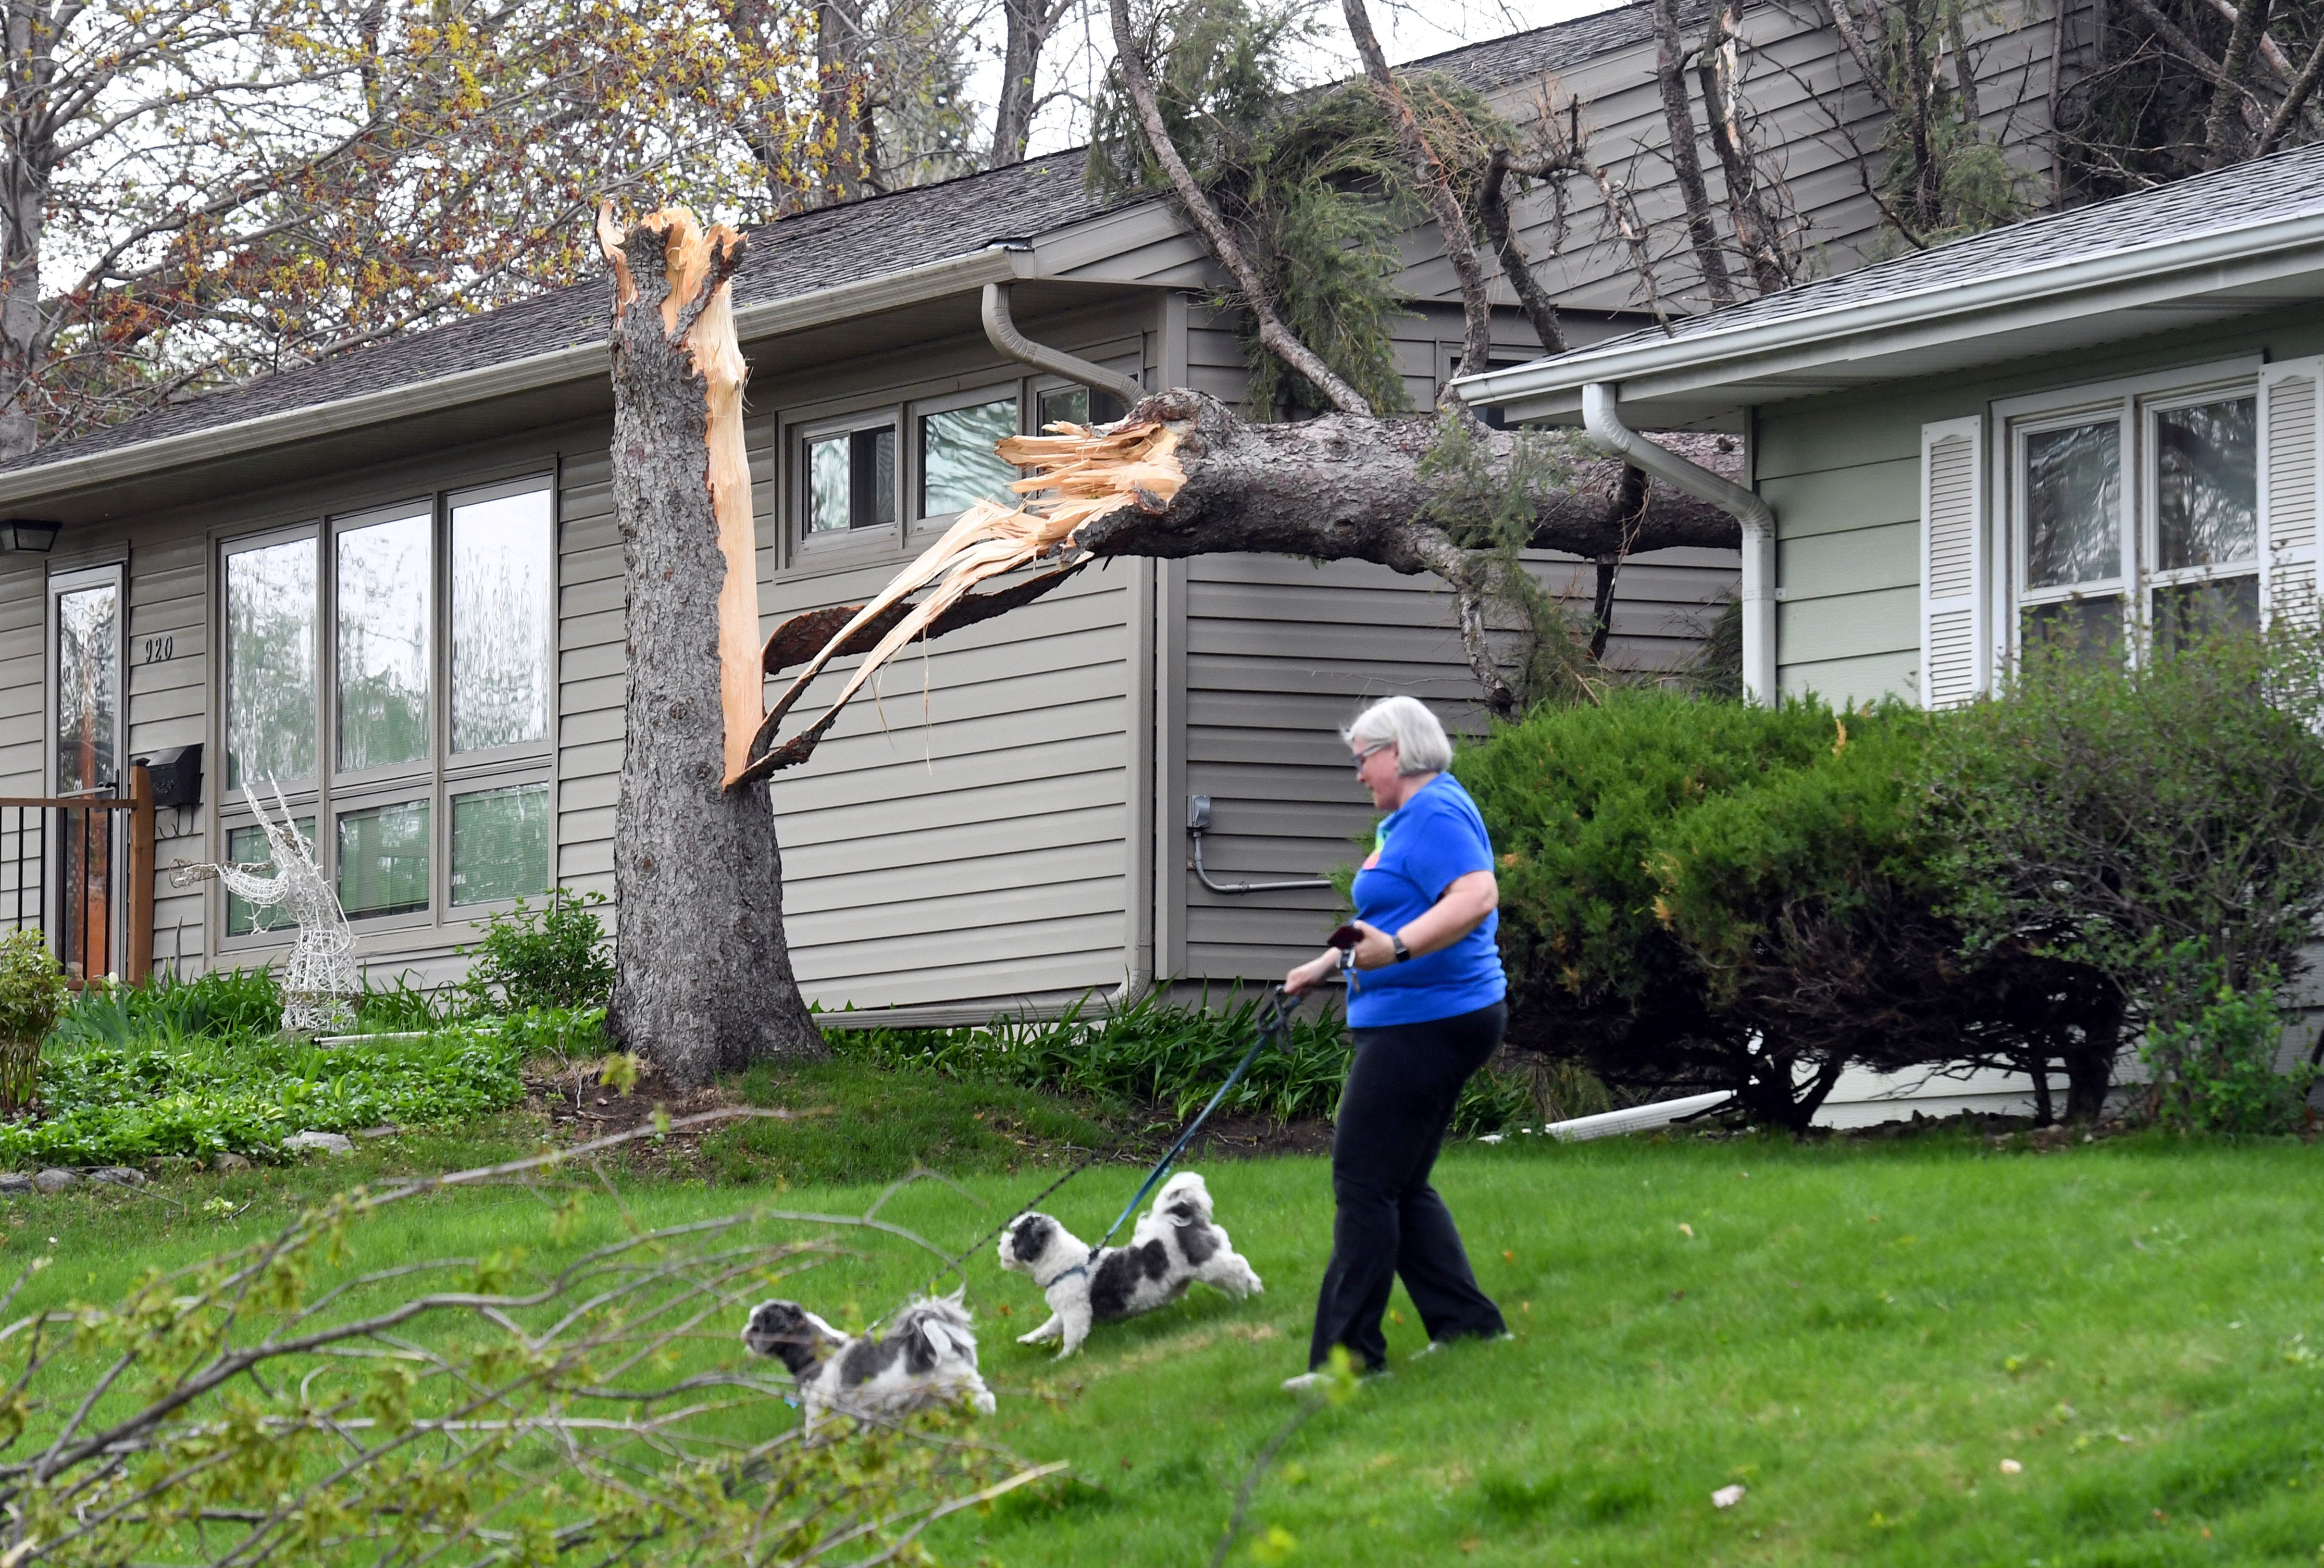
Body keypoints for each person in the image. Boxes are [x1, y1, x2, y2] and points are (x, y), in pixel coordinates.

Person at [1281, 694, 1509, 1391]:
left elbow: (1475, 896)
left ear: (1396, 751)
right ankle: (1468, 1324)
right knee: (1398, 1182)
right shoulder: (1407, 819)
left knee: (1362, 1180)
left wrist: (1400, 952)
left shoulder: (1436, 809)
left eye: (1361, 759)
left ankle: (1348, 1361)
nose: (1357, 775)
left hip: (1429, 1019)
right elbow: (1389, 909)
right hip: (1420, 1016)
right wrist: (1328, 961)